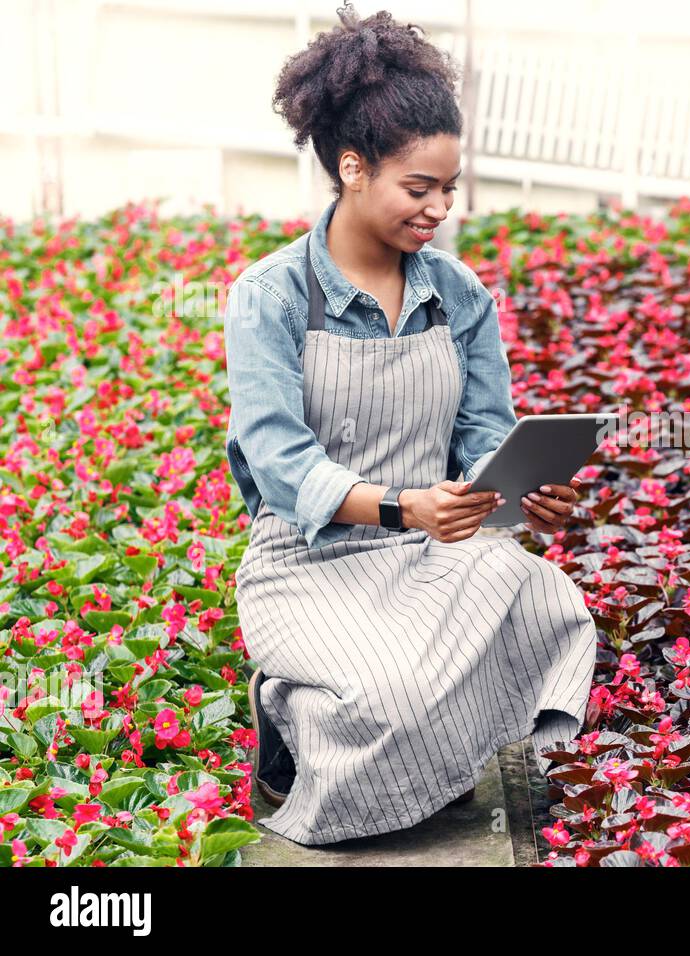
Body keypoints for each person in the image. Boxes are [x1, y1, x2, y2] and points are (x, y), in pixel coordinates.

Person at [223, 3, 598, 846]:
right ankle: (288, 714)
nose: (438, 209)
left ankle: (411, 746)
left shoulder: (458, 294)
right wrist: (403, 506)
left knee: (552, 606)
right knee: (390, 693)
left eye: (449, 189)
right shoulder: (271, 297)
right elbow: (279, 465)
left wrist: (523, 494)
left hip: (435, 550)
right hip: (308, 559)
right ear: (352, 168)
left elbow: (483, 443)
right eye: (418, 188)